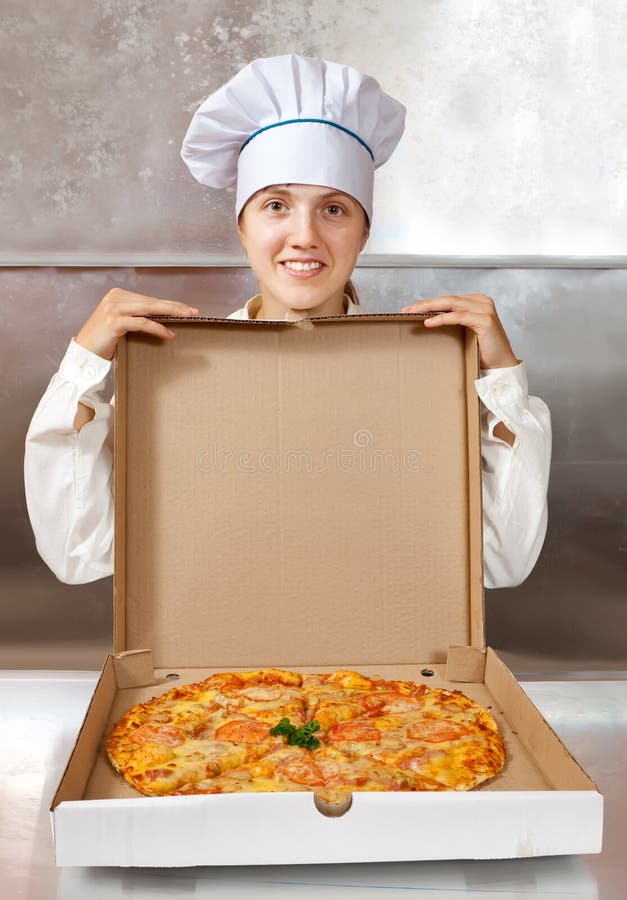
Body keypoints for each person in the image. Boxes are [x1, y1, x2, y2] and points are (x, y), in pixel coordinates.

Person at [24, 54, 551, 590]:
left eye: (334, 209)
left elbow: (500, 562)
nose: (304, 236)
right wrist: (82, 369)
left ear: (364, 233)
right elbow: (79, 553)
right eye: (276, 206)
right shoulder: (173, 375)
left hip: (376, 670)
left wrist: (502, 379)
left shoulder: (425, 376)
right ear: (242, 228)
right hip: (217, 668)